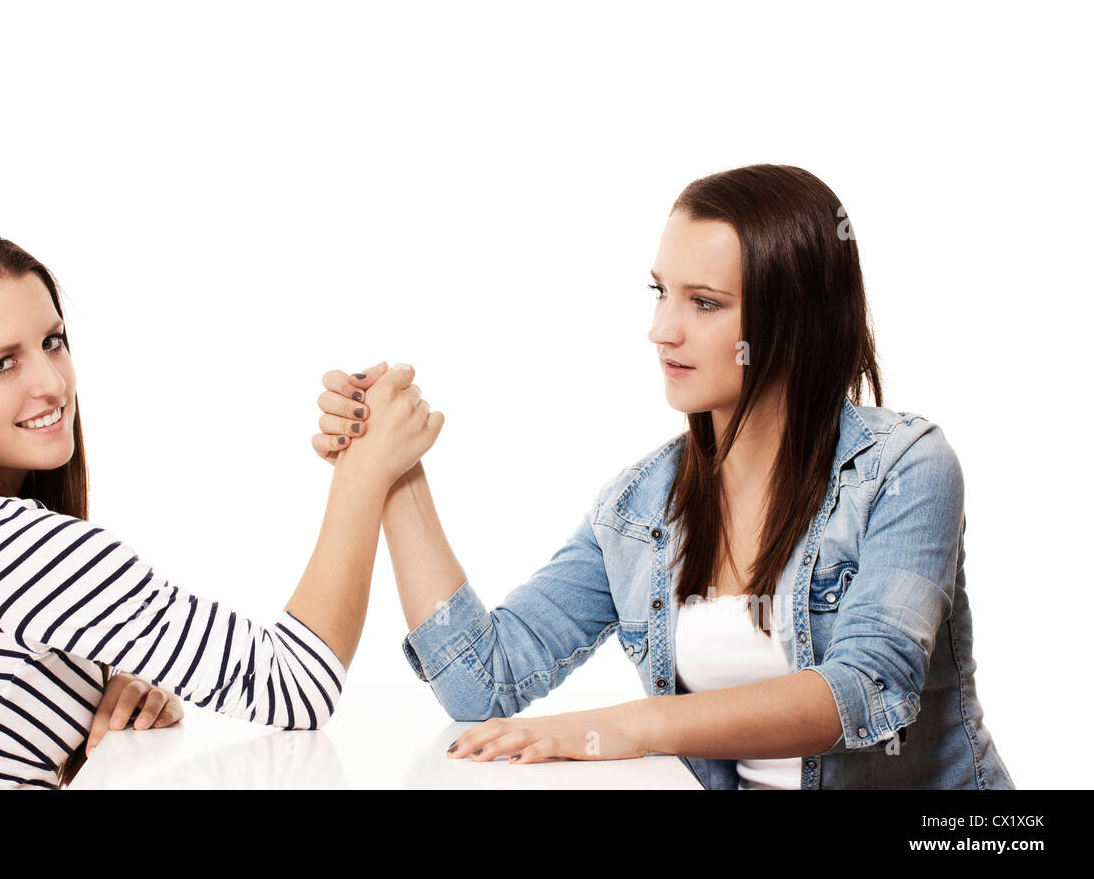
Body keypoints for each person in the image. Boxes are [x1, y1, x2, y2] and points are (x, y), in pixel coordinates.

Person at [312, 164, 1014, 789]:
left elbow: (868, 688)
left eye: (704, 303)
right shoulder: (638, 507)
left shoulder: (902, 469)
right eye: (660, 292)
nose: (661, 330)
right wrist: (392, 470)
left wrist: (639, 724)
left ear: (794, 321)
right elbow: (484, 680)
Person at [0, 231, 442, 788]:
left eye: (52, 342)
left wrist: (107, 682)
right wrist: (365, 473)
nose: (52, 384)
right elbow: (296, 685)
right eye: (2, 363)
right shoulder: (11, 544)